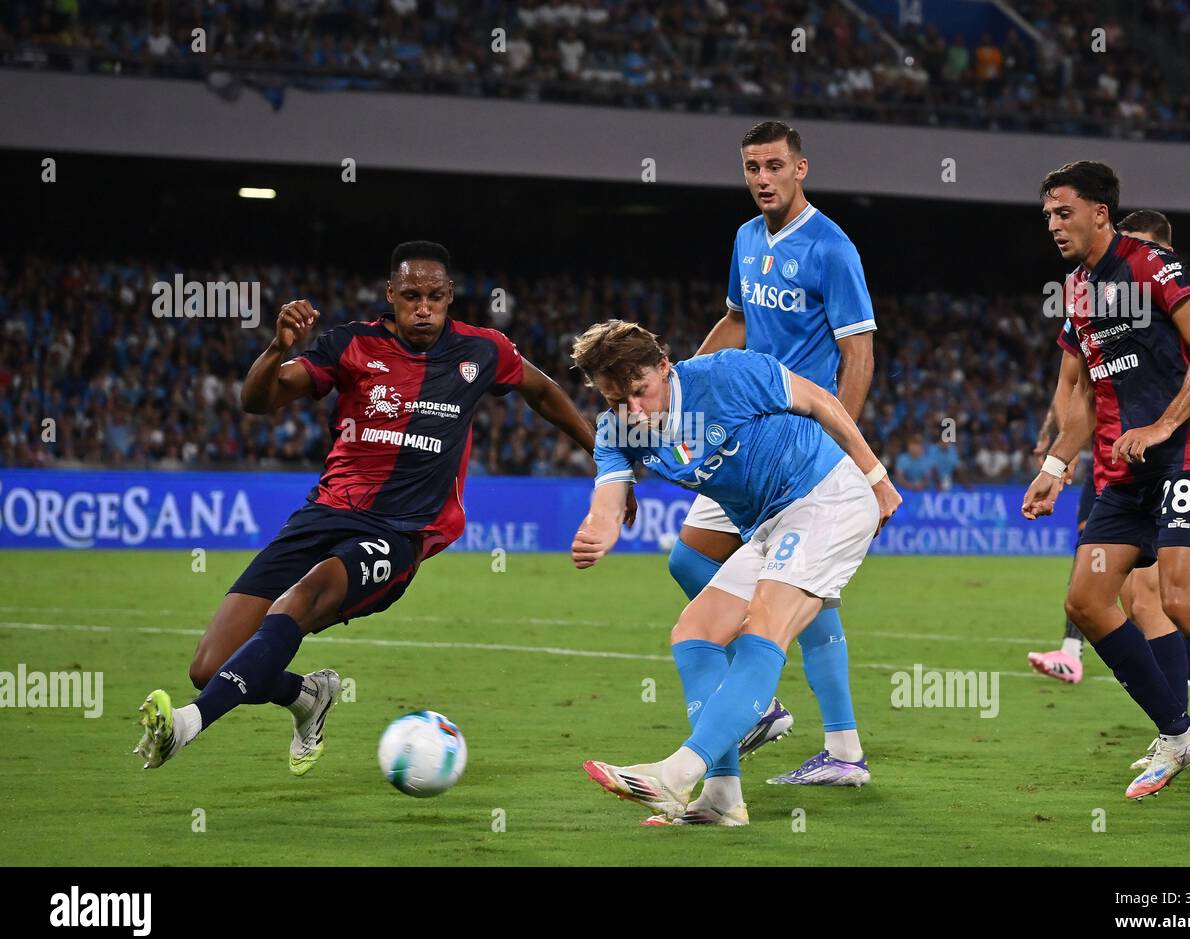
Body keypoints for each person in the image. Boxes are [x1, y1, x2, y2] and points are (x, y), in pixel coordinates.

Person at [135, 241, 626, 772]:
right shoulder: (350, 345)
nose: (423, 307)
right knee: (210, 667)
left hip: (402, 531)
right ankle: (305, 696)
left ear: (450, 297)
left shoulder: (483, 351)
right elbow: (258, 400)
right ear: (390, 294)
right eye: (411, 295)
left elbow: (546, 392)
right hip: (325, 512)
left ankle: (186, 725)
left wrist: (605, 463)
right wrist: (277, 349)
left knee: (301, 600)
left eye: (434, 296)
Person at [1023, 163, 1190, 812]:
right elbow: (1083, 392)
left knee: (1178, 596)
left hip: (1189, 453)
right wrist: (1055, 468)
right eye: (1047, 214)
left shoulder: (1151, 267)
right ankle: (1179, 732)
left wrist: (1165, 422)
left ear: (1100, 212)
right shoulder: (1078, 290)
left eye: (1064, 212)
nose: (1053, 224)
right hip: (1126, 469)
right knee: (1087, 600)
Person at [569, 320, 901, 824]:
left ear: (664, 368)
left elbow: (818, 402)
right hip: (767, 522)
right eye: (617, 399)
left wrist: (876, 477)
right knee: (694, 632)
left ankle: (677, 773)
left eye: (640, 392)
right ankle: (723, 796)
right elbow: (608, 499)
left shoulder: (727, 374)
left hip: (827, 497)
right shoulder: (617, 430)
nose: (633, 411)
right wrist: (601, 528)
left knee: (762, 626)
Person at [672, 120, 880, 790]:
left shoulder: (832, 247)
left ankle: (814, 735)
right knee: (692, 559)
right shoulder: (744, 238)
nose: (762, 178)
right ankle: (790, 721)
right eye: (752, 167)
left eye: (773, 166)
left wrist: (840, 444)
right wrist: (679, 384)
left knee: (798, 592)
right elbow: (737, 319)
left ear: (801, 169)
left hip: (798, 443)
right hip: (742, 433)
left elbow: (858, 353)